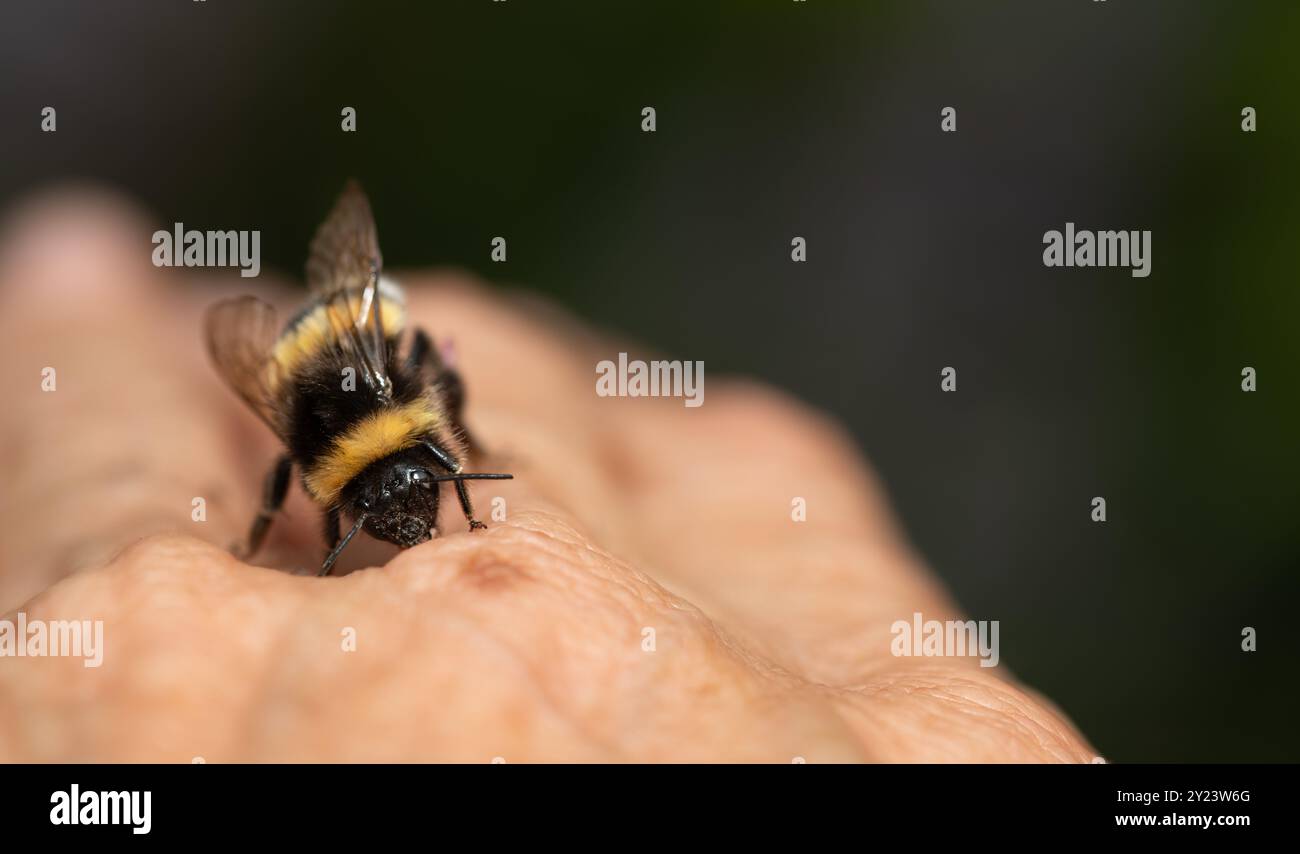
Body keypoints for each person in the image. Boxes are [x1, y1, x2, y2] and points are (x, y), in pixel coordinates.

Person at [0, 189, 1093, 762]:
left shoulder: (403, 424)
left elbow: (407, 411)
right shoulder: (312, 440)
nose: (405, 522)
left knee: (417, 365)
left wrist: (463, 468)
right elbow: (303, 445)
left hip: (359, 344)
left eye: (419, 490)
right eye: (390, 505)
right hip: (307, 371)